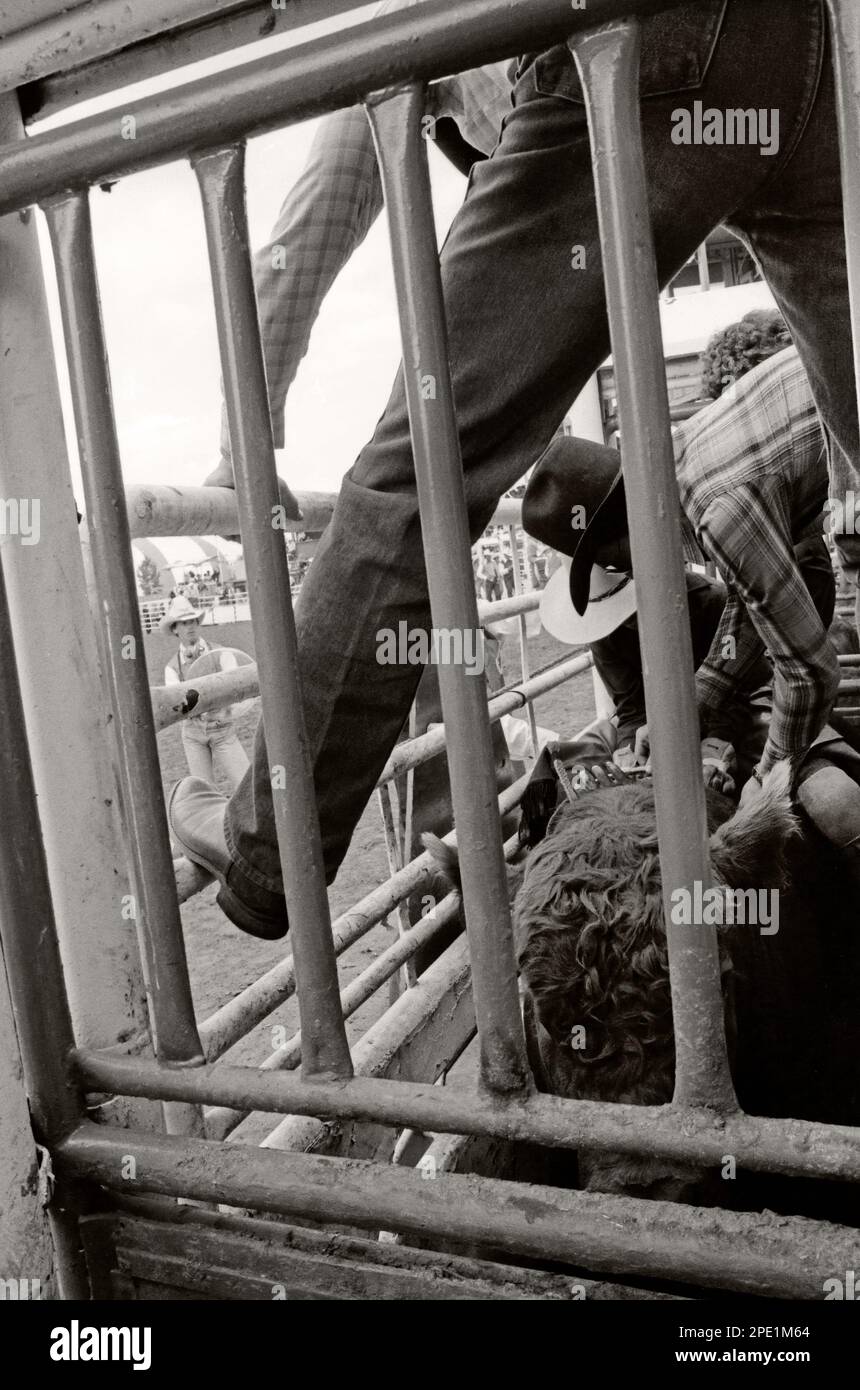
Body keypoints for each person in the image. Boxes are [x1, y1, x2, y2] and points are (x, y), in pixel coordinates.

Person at [172, 0, 859, 940]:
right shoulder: (721, 504)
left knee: (423, 474)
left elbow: (310, 226)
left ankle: (269, 849)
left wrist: (245, 428)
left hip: (645, 41)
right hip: (813, 47)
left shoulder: (416, 24)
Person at [523, 345, 840, 797]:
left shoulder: (719, 510)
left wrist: (766, 782)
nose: (626, 573)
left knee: (832, 801)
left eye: (614, 563)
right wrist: (690, 707)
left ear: (618, 542)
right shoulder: (692, 459)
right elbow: (759, 602)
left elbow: (809, 672)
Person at [161, 596, 250, 793]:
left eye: (192, 621)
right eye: (184, 623)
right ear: (175, 629)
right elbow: (178, 706)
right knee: (204, 795)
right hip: (193, 734)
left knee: (246, 786)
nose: (190, 627)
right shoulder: (172, 668)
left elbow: (236, 686)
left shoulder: (221, 652)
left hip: (222, 729)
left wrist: (227, 709)